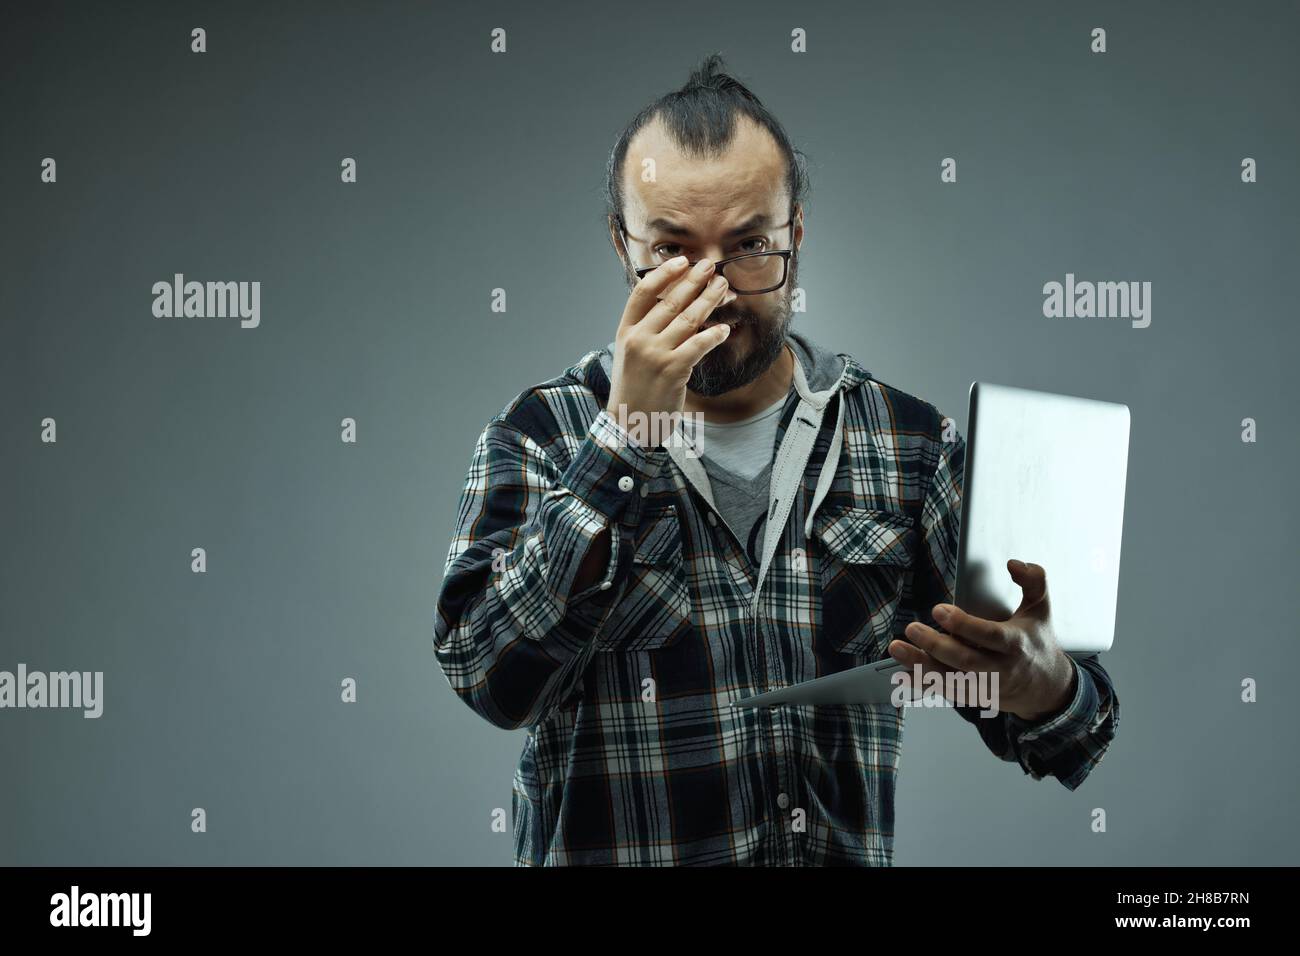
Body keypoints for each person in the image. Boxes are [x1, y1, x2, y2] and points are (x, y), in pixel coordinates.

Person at [434, 54, 1118, 866]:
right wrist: (621, 442)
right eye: (673, 249)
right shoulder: (541, 434)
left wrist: (1045, 686)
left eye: (751, 244)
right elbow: (488, 677)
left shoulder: (908, 446)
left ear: (796, 234)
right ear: (624, 246)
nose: (717, 290)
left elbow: (1075, 733)